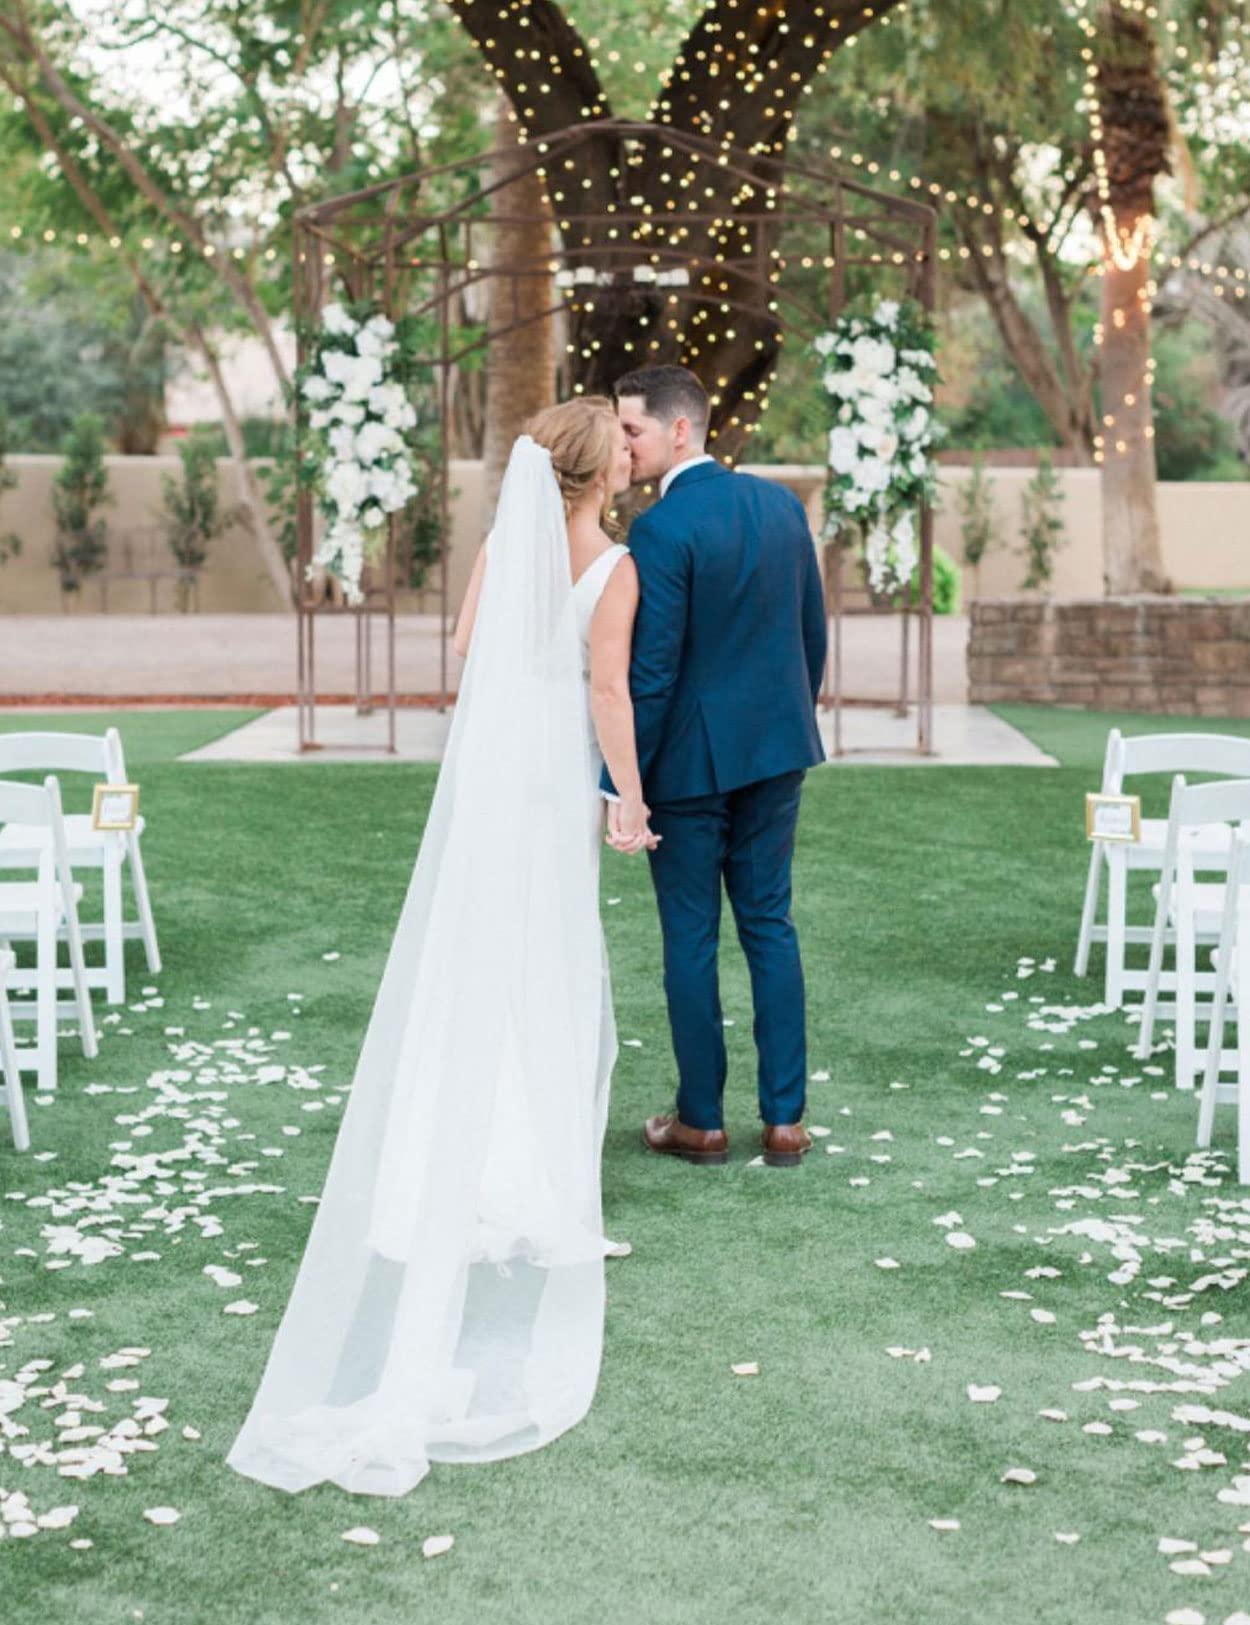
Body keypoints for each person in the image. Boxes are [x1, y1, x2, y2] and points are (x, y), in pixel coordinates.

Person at [227, 397, 649, 1497]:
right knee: (543, 967)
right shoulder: (613, 567)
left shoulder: (510, 543)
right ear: (601, 476)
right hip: (551, 774)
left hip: (487, 785)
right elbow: (605, 690)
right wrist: (629, 798)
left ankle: (443, 1161)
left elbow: (466, 645)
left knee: (471, 959)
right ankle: (531, 1179)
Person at [606, 365, 828, 1169]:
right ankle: (785, 1121)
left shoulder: (659, 532)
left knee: (691, 938)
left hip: (689, 770)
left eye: (631, 431)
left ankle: (701, 1121)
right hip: (778, 751)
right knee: (770, 923)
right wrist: (789, 720)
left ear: (679, 430)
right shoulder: (780, 506)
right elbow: (813, 637)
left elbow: (653, 673)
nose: (621, 446)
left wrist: (624, 781)